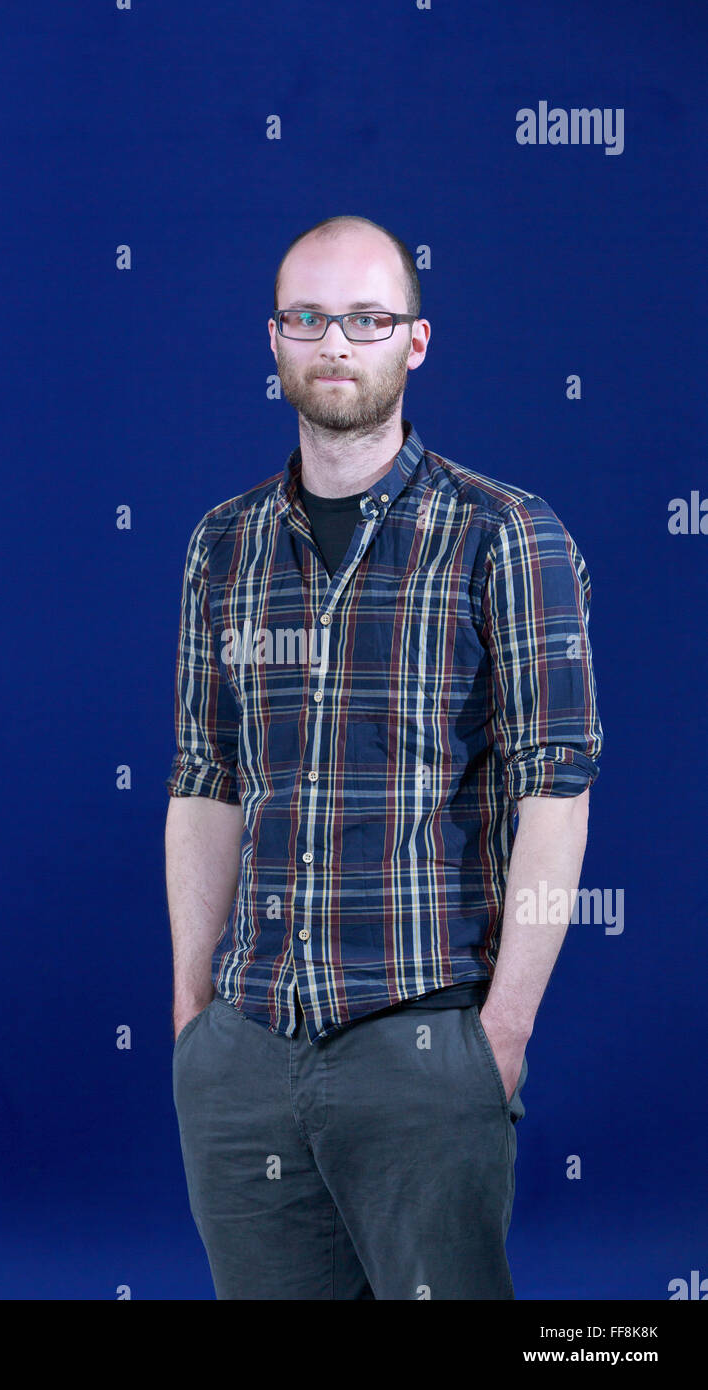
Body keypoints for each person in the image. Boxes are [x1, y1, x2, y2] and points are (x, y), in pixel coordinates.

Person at [164, 214, 603, 1300]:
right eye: (306, 317)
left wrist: (500, 1032)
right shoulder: (222, 546)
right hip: (245, 1047)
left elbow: (553, 792)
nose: (333, 343)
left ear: (413, 342)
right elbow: (203, 780)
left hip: (423, 1042)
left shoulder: (505, 533)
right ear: (274, 339)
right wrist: (191, 1022)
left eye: (365, 318)